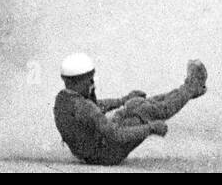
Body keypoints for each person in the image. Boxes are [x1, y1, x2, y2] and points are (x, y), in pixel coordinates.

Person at [52, 53, 208, 166]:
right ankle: (191, 87)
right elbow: (116, 135)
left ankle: (188, 90)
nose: (93, 83)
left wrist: (123, 100)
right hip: (107, 154)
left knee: (137, 103)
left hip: (96, 150)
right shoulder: (83, 107)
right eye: (90, 79)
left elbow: (95, 108)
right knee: (148, 110)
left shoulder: (64, 99)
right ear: (81, 81)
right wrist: (150, 128)